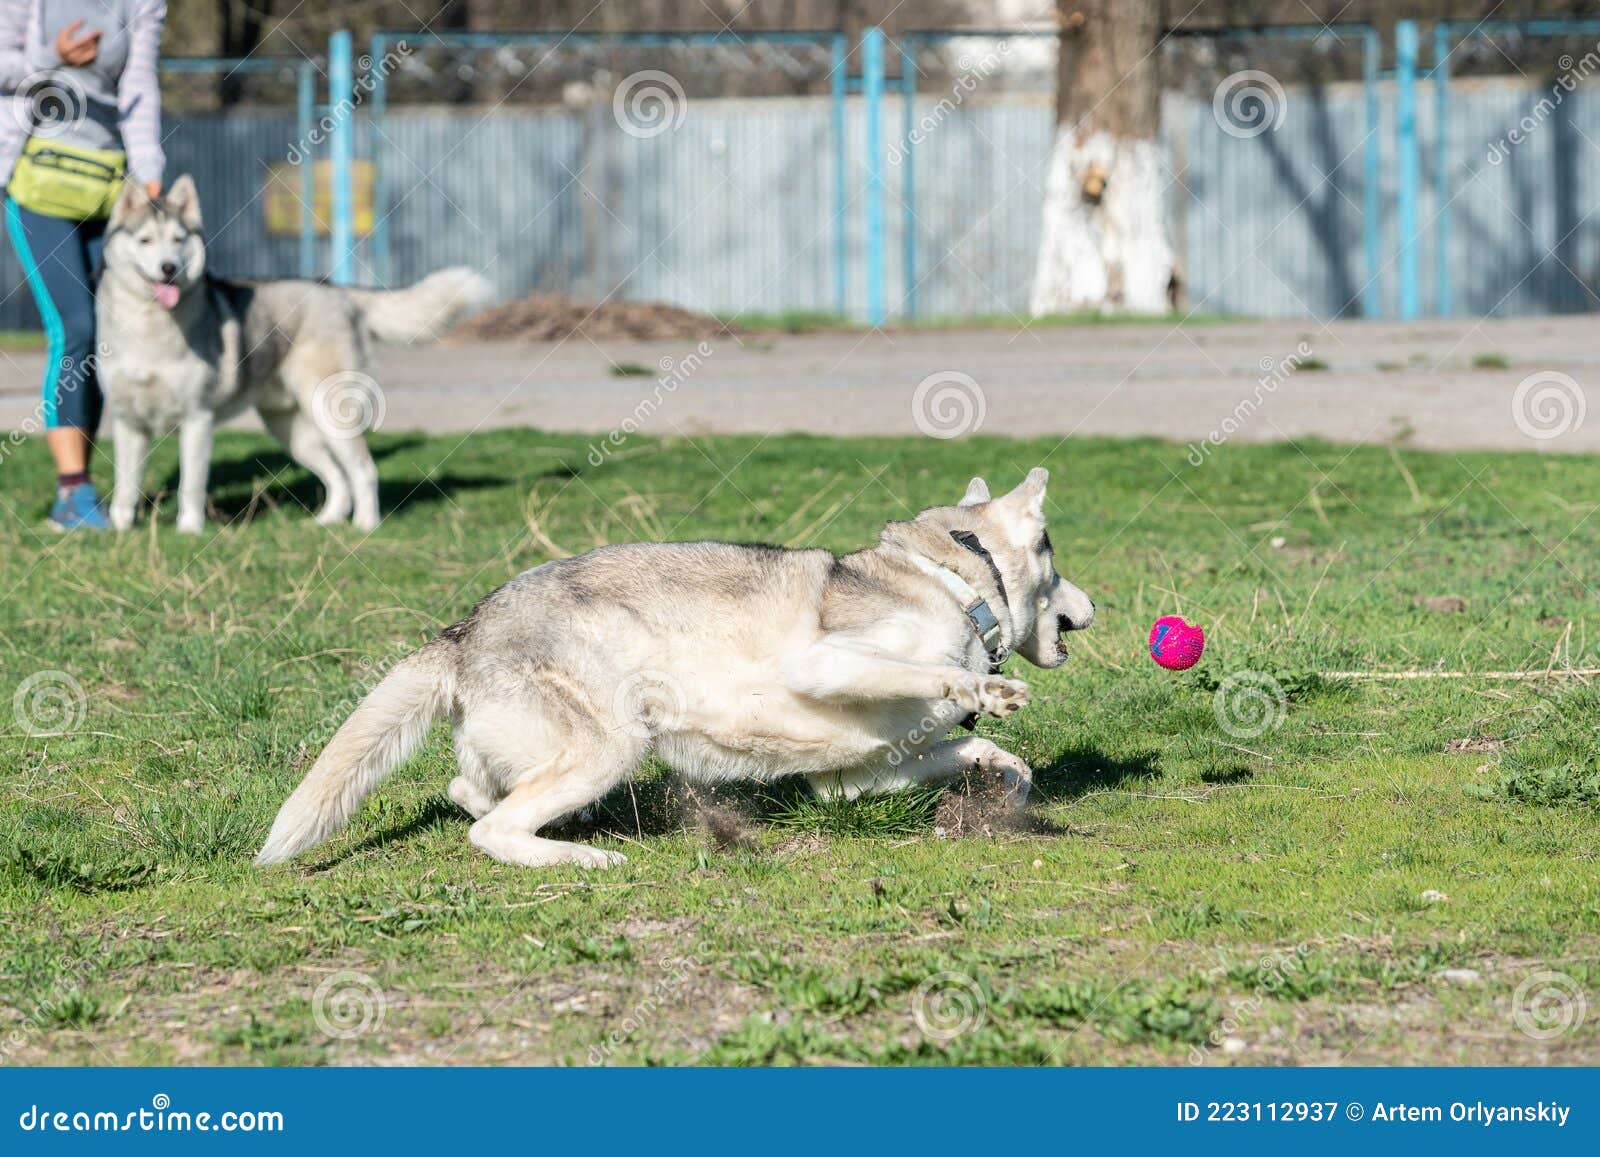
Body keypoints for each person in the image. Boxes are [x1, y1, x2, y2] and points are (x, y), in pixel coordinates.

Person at [0, 0, 165, 529]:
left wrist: (149, 167)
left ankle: (88, 484)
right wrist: (51, 58)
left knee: (103, 334)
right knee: (74, 327)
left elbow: (139, 86)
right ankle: (72, 491)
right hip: (36, 180)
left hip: (106, 184)